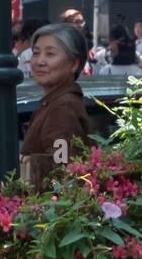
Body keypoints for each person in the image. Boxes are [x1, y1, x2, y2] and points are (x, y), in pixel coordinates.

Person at [22, 24, 92, 163]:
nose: (39, 61)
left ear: (74, 64)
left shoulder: (63, 108)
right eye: (36, 53)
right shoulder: (53, 102)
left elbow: (61, 172)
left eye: (50, 54)